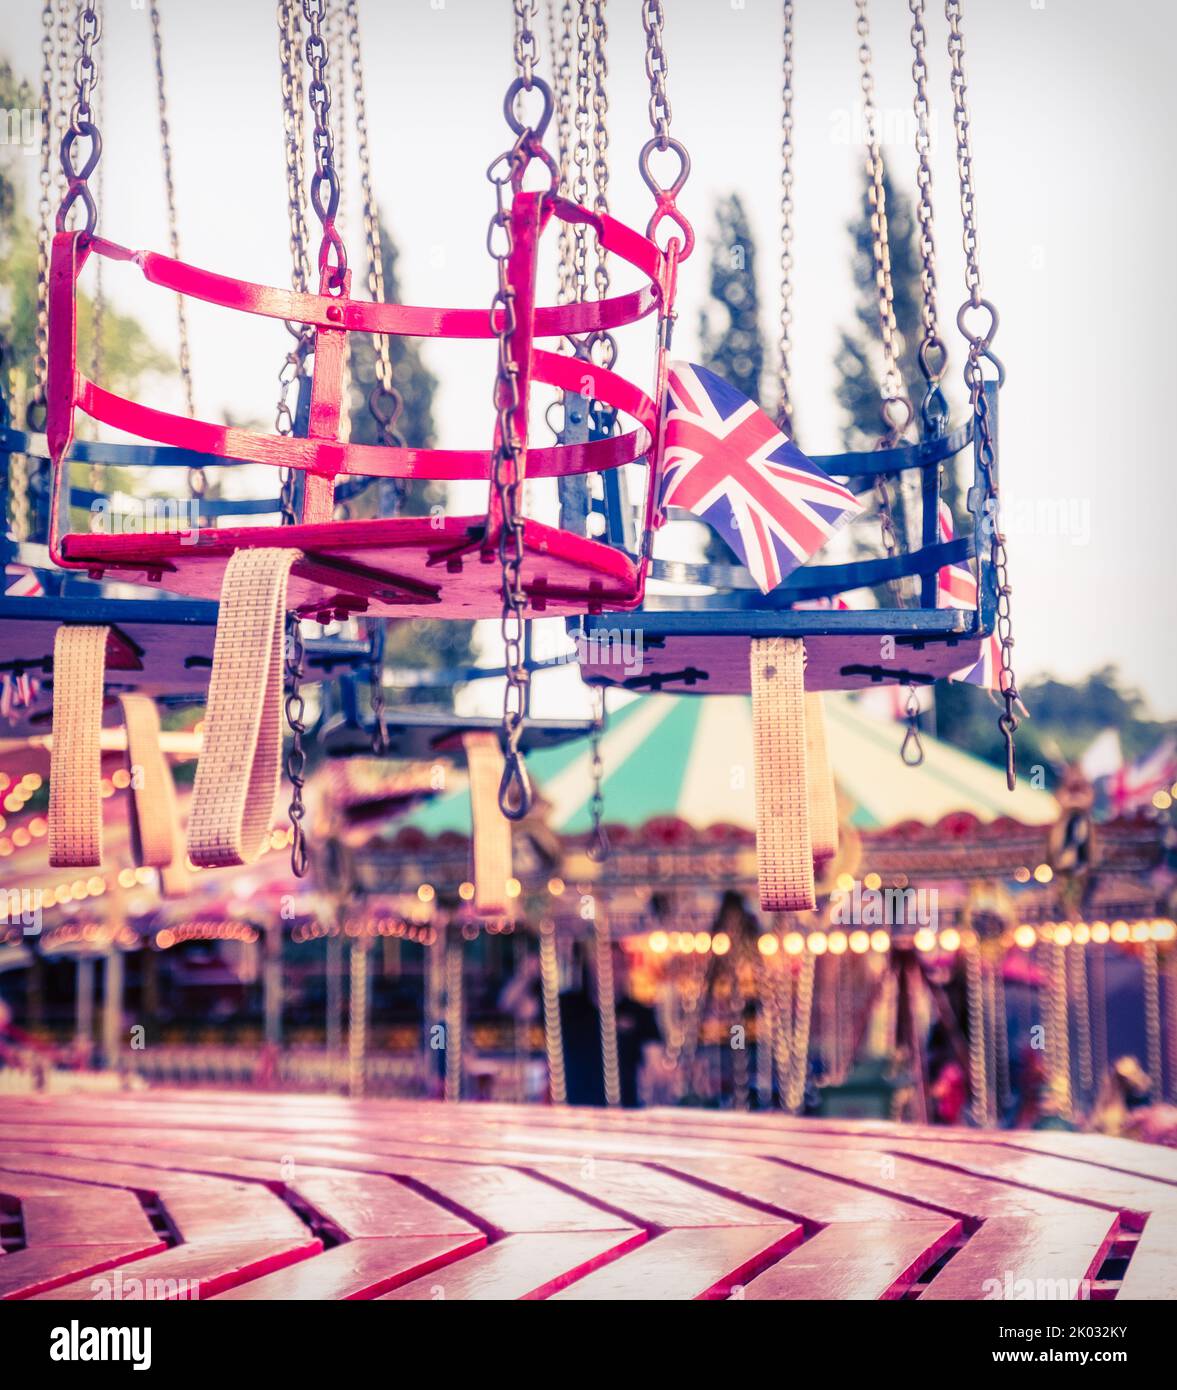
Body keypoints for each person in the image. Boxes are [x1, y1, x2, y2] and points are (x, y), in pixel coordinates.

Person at [560, 940, 662, 1108]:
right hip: (575, 1108)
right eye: (603, 965)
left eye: (616, 966)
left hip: (625, 1108)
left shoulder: (639, 1012)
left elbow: (654, 1057)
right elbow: (510, 1006)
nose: (610, 972)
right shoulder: (568, 1006)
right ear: (590, 968)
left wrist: (660, 1076)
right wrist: (526, 975)